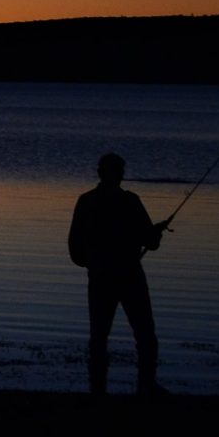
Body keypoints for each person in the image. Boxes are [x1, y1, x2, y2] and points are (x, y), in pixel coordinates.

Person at [67, 152, 169, 396]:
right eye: (119, 171)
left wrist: (91, 263)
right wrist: (156, 233)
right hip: (129, 275)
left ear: (100, 173)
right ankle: (146, 385)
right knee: (144, 333)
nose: (120, 175)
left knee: (99, 335)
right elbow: (150, 241)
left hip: (101, 277)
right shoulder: (130, 201)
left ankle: (97, 385)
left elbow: (75, 247)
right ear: (117, 174)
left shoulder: (86, 201)